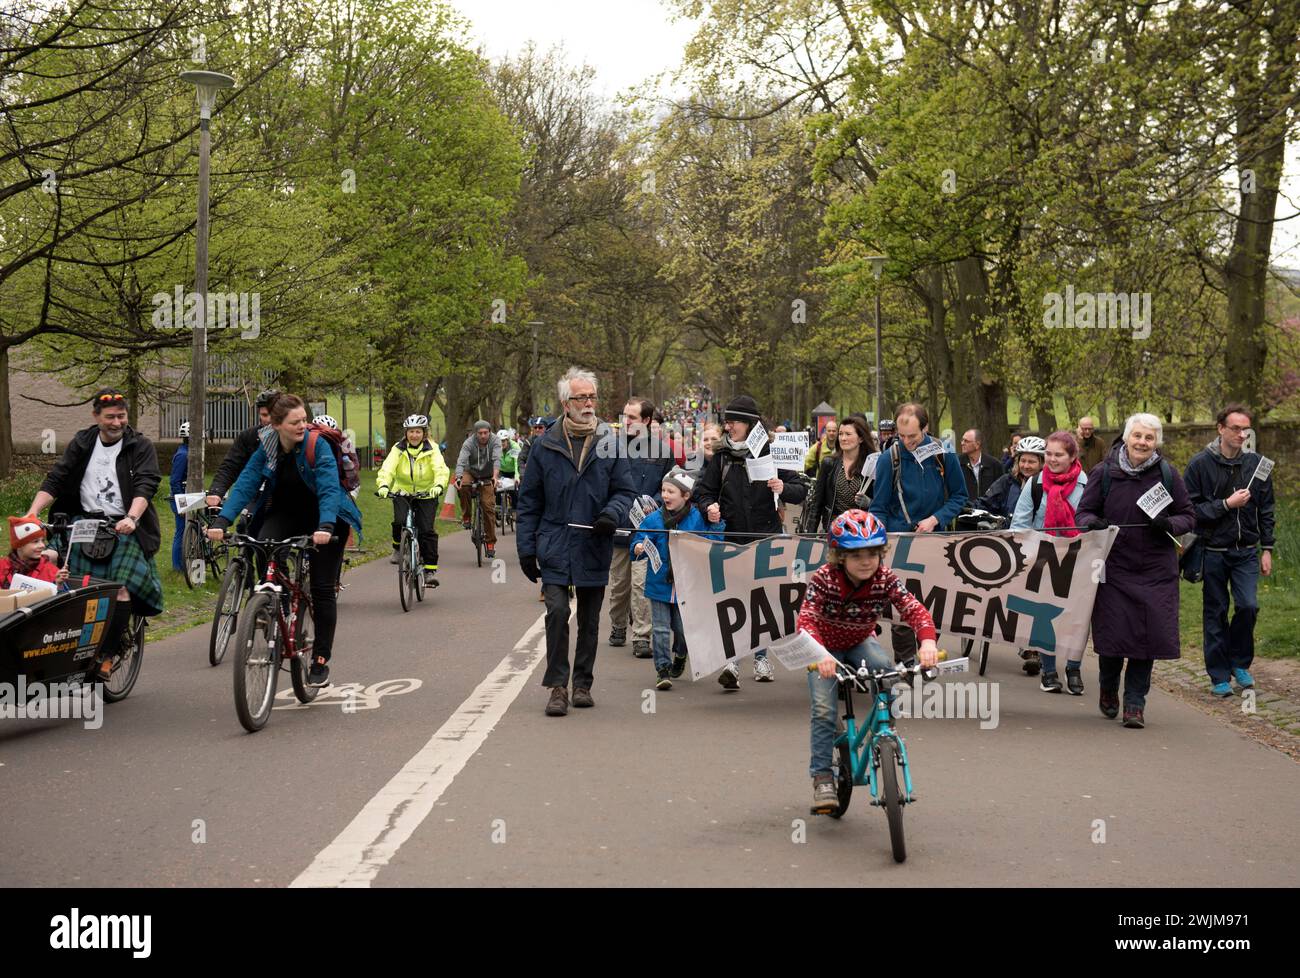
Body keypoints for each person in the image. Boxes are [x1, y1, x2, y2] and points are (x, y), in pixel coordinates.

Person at [206, 394, 362, 687]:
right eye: (295, 422)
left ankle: (320, 659)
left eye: (304, 419)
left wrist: (326, 526)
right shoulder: (267, 446)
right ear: (276, 425)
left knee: (322, 588)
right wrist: (222, 521)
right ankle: (277, 603)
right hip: (286, 511)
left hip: (327, 517)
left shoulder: (317, 445)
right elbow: (247, 483)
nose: (302, 425)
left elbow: (329, 487)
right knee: (262, 546)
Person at [798, 510, 939, 815]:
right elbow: (806, 620)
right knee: (823, 710)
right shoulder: (824, 578)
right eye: (856, 555)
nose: (866, 562)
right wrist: (820, 655)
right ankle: (822, 777)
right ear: (839, 557)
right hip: (823, 648)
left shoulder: (885, 578)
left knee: (887, 674)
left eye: (872, 554)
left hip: (860, 640)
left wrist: (927, 642)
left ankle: (883, 733)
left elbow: (913, 609)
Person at [516, 367, 635, 716]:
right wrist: (526, 550)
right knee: (556, 611)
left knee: (589, 619)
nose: (588, 403)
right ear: (565, 403)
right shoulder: (544, 445)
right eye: (581, 397)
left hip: (594, 541)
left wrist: (611, 514)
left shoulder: (610, 443)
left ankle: (582, 683)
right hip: (554, 541)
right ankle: (557, 686)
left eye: (592, 397)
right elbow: (529, 501)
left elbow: (625, 490)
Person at [26, 388, 164, 679]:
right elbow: (57, 477)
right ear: (96, 416)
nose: (117, 422)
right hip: (84, 523)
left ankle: (107, 654)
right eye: (110, 417)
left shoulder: (140, 445)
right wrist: (32, 513)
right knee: (50, 565)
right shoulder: (83, 441)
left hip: (122, 526)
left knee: (121, 588)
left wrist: (132, 518)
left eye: (121, 416)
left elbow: (146, 484)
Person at [1075, 413, 1196, 728]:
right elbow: (1083, 512)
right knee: (1113, 636)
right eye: (1138, 436)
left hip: (1156, 570)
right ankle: (1108, 687)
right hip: (1114, 567)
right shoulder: (1104, 473)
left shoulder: (1167, 474)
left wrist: (1169, 523)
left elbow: (1188, 515)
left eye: (1149, 437)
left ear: (1156, 442)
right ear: (1126, 438)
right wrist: (1093, 523)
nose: (1142, 442)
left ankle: (1134, 704)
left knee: (1148, 637)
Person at [695, 394, 808, 688]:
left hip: (766, 537)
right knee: (733, 599)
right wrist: (709, 507)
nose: (728, 427)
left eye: (732, 422)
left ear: (748, 424)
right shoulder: (722, 456)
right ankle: (732, 660)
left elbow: (800, 489)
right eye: (726, 422)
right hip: (732, 539)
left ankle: (761, 658)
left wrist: (783, 488)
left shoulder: (772, 453)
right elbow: (703, 492)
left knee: (761, 599)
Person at [1183, 404, 1275, 697]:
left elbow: (1267, 508)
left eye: (1246, 429)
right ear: (1220, 428)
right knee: (1216, 612)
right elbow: (1190, 512)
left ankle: (1239, 662)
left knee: (1248, 606)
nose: (1241, 434)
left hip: (1246, 551)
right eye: (1235, 428)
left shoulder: (1257, 464)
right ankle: (1219, 676)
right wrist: (1225, 504)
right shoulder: (1199, 465)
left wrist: (1267, 548)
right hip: (1213, 551)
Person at [868, 402, 968, 660]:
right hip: (900, 542)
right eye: (901, 435)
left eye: (912, 436)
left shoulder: (943, 454)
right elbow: (878, 506)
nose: (906, 441)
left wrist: (935, 519)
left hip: (935, 541)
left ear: (925, 428)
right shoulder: (889, 457)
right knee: (902, 607)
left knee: (935, 604)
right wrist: (877, 541)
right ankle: (906, 663)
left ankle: (927, 654)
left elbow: (959, 496)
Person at [630, 466, 725, 689]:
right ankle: (662, 669)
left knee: (683, 631)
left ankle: (681, 653)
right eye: (663, 490)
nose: (665, 495)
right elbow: (639, 537)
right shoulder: (654, 519)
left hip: (687, 586)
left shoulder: (697, 518)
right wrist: (638, 546)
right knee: (661, 629)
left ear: (686, 495)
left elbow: (714, 539)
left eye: (671, 491)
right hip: (659, 584)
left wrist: (716, 521)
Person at [1011, 431, 1088, 693]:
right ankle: (1049, 669)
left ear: (1072, 456)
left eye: (1059, 455)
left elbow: (1093, 520)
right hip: (1043, 558)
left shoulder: (1087, 485)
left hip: (1078, 559)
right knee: (1044, 615)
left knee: (1078, 617)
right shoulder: (1034, 484)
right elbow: (1020, 525)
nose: (1052, 459)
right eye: (1049, 454)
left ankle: (1074, 667)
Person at [608, 397, 676, 658]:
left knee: (641, 584)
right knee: (619, 585)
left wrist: (655, 502)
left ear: (646, 421)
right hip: (619, 526)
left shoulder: (663, 451)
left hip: (648, 529)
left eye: (632, 417)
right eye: (624, 416)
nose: (626, 421)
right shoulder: (611, 448)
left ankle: (641, 636)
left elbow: (670, 486)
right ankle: (618, 625)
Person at [376, 414, 448, 587]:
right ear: (406, 433)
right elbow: (387, 468)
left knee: (426, 531)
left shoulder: (432, 448)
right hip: (402, 491)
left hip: (427, 493)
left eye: (418, 432)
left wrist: (438, 485)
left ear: (424, 433)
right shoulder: (398, 448)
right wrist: (383, 485)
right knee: (399, 521)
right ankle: (397, 547)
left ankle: (429, 571)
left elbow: (440, 469)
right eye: (411, 432)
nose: (414, 435)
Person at [801, 416, 878, 533]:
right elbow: (817, 504)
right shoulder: (829, 463)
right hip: (834, 530)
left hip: (861, 531)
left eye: (848, 434)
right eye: (841, 434)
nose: (843, 438)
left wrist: (869, 503)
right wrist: (810, 535)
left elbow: (882, 504)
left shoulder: (872, 465)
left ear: (861, 438)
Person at [206, 388, 279, 511]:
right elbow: (231, 465)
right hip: (255, 494)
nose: (269, 420)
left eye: (273, 414)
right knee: (246, 519)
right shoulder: (248, 437)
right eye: (264, 415)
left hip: (284, 495)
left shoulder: (294, 437)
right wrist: (216, 491)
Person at [455, 421, 501, 560]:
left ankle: (490, 543)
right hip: (471, 472)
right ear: (475, 433)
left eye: (485, 433)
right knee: (463, 485)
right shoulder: (468, 443)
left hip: (488, 475)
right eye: (480, 433)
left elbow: (497, 460)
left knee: (488, 507)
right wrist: (458, 477)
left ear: (490, 432)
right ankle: (467, 516)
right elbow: (461, 461)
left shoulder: (495, 441)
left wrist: (495, 477)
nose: (483, 436)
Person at [977, 435, 1044, 518]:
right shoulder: (1008, 481)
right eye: (1023, 461)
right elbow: (986, 503)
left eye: (1031, 462)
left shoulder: (1047, 485)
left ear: (1042, 463)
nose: (1026, 466)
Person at [1, 516, 68, 590]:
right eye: (35, 541)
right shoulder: (2, 566)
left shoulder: (50, 571)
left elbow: (64, 595)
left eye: (43, 540)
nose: (42, 545)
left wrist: (59, 585)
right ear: (19, 545)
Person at [169, 421, 190, 573]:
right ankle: (177, 567)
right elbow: (174, 481)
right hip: (181, 498)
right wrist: (180, 503)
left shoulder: (187, 452)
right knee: (181, 531)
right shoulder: (183, 455)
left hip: (186, 497)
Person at [959, 429, 1001, 502]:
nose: (962, 443)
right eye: (962, 440)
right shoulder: (957, 463)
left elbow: (1000, 490)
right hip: (964, 507)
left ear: (977, 444)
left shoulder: (994, 464)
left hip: (988, 507)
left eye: (966, 441)